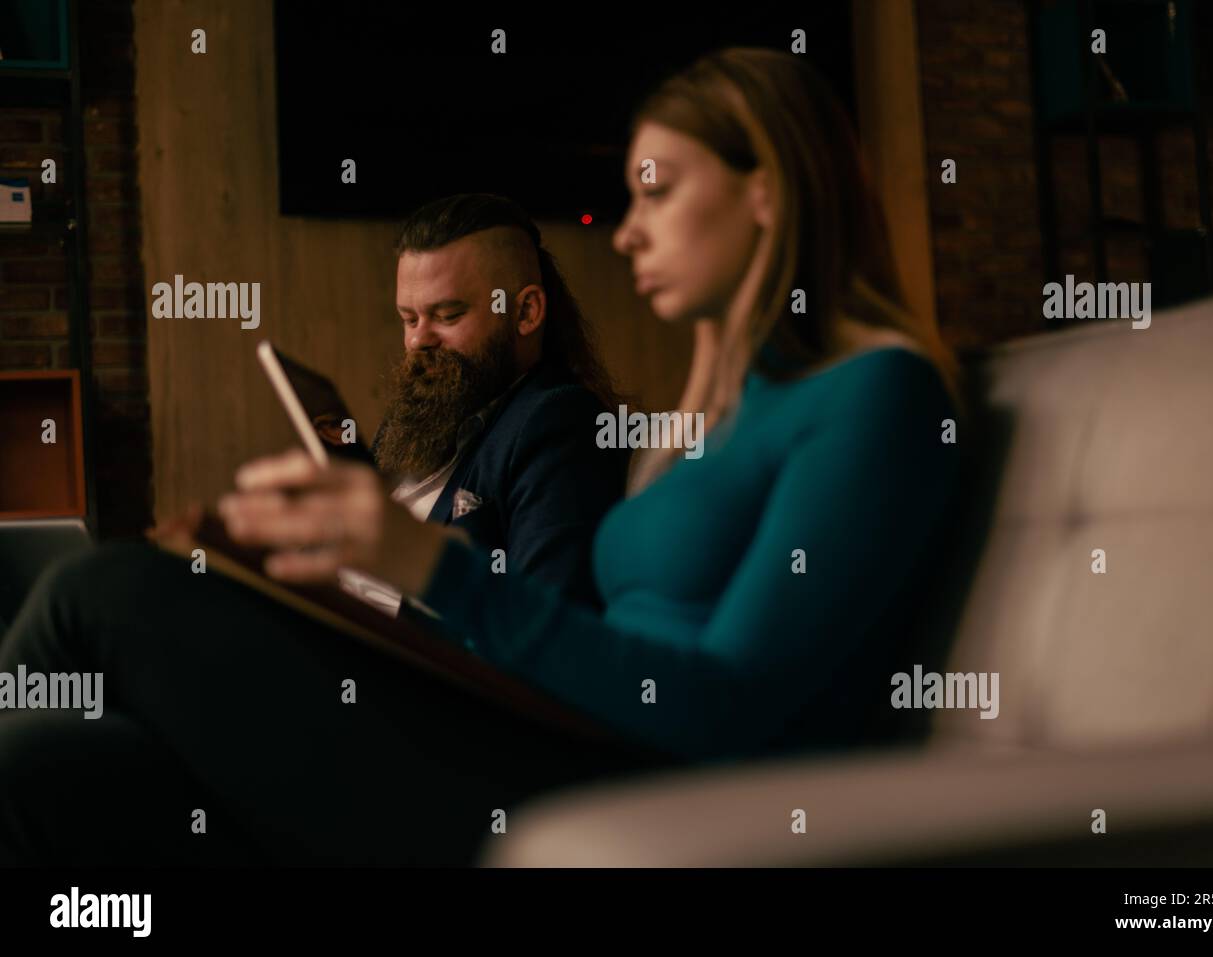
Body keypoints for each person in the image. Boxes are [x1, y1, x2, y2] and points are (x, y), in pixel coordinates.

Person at [0, 48, 964, 866]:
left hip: (593, 773)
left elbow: (728, 701)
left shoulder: (882, 394)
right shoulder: (738, 408)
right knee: (51, 762)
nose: (625, 229)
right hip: (544, 735)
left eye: (655, 192)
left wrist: (427, 565)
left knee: (105, 593)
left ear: (767, 194)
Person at [347, 193, 628, 613]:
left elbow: (547, 621)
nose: (418, 340)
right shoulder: (416, 414)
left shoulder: (562, 422)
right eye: (409, 318)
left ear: (526, 312)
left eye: (447, 315)